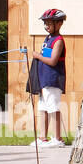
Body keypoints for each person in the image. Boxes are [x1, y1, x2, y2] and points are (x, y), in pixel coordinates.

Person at [33, 9, 66, 146]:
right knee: (44, 107)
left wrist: (38, 56)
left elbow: (53, 61)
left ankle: (58, 139)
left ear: (59, 24)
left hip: (53, 79)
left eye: (49, 23)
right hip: (44, 79)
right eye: (45, 23)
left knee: (53, 108)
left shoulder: (58, 41)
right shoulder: (48, 38)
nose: (46, 26)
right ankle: (43, 137)